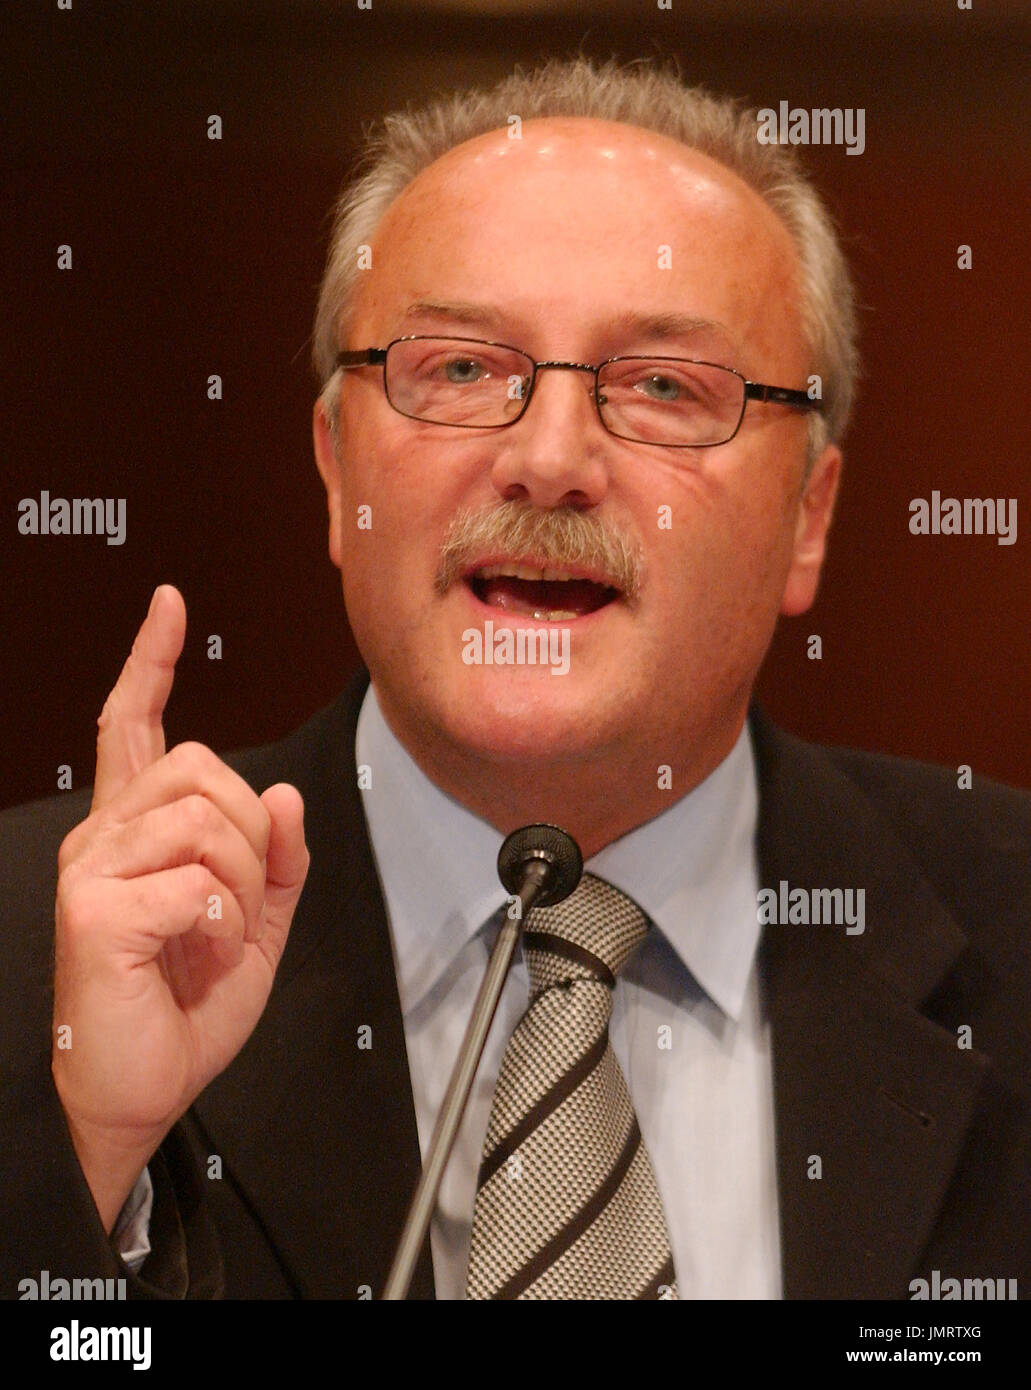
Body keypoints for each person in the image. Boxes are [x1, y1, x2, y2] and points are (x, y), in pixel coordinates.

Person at [2, 57, 1028, 1302]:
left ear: (807, 516)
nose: (548, 460)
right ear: (337, 472)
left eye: (661, 386)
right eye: (461, 370)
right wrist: (86, 1171)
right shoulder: (35, 955)